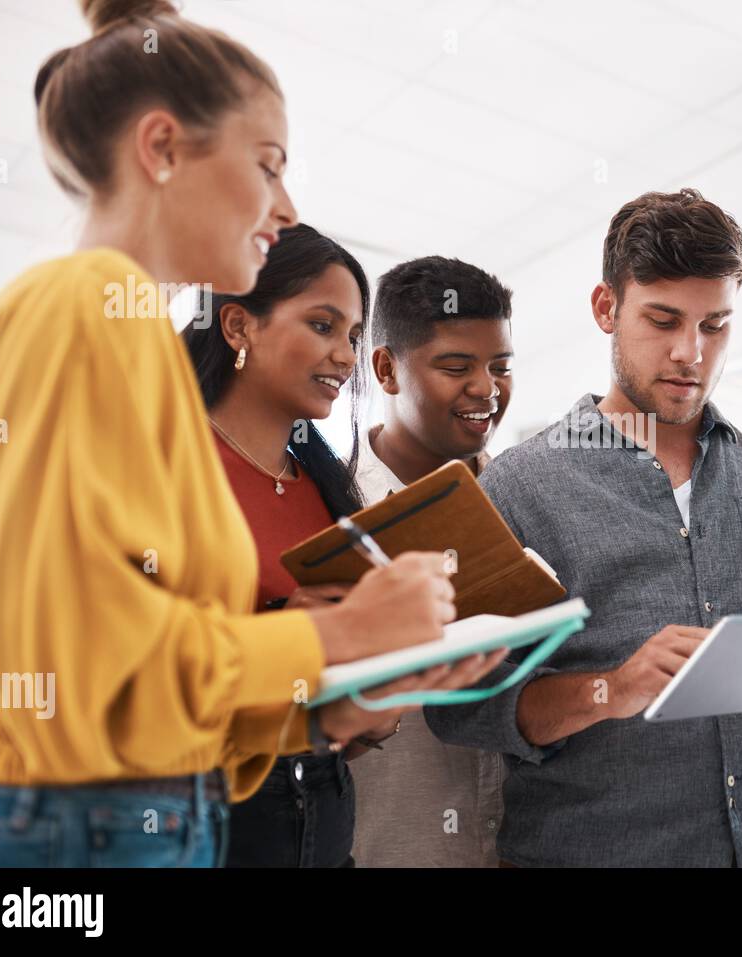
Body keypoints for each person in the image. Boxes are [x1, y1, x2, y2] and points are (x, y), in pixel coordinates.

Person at [0, 0, 483, 867]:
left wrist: (340, 701)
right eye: (268, 165)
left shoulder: (131, 342)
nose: (286, 203)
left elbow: (157, 695)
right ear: (161, 149)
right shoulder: (76, 312)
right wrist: (339, 635)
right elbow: (77, 681)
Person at [426, 189, 742, 867]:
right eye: (664, 319)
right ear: (606, 309)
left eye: (715, 325)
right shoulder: (516, 488)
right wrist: (610, 689)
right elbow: (466, 706)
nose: (690, 352)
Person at [182, 226, 503, 867]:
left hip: (322, 833)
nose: (344, 356)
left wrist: (384, 696)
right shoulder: (167, 468)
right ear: (239, 326)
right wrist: (292, 638)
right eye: (323, 326)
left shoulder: (327, 488)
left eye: (354, 336)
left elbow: (333, 722)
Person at [351, 256, 515, 866]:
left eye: (500, 366)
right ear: (388, 369)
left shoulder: (527, 501)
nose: (487, 388)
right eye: (456, 366)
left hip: (521, 845)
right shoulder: (332, 510)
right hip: (390, 847)